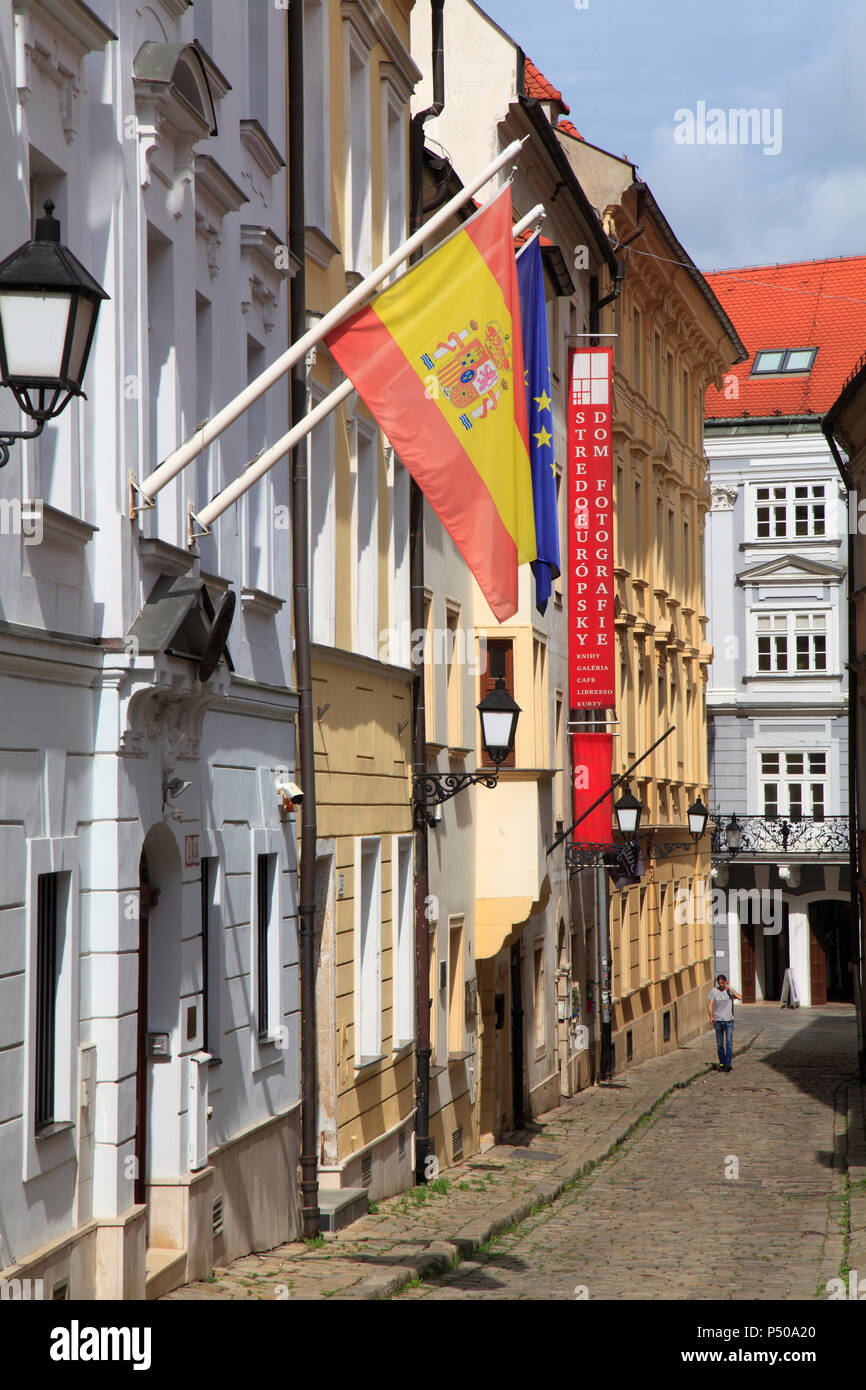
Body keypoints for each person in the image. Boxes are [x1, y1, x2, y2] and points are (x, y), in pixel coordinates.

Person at [707, 974, 741, 1072]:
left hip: (729, 1021)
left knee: (729, 1043)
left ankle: (728, 1063)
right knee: (720, 1044)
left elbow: (740, 997)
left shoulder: (729, 991)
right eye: (719, 983)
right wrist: (711, 1016)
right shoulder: (713, 991)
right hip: (718, 1021)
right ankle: (722, 1063)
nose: (721, 984)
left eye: (723, 982)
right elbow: (710, 1004)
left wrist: (729, 988)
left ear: (725, 982)